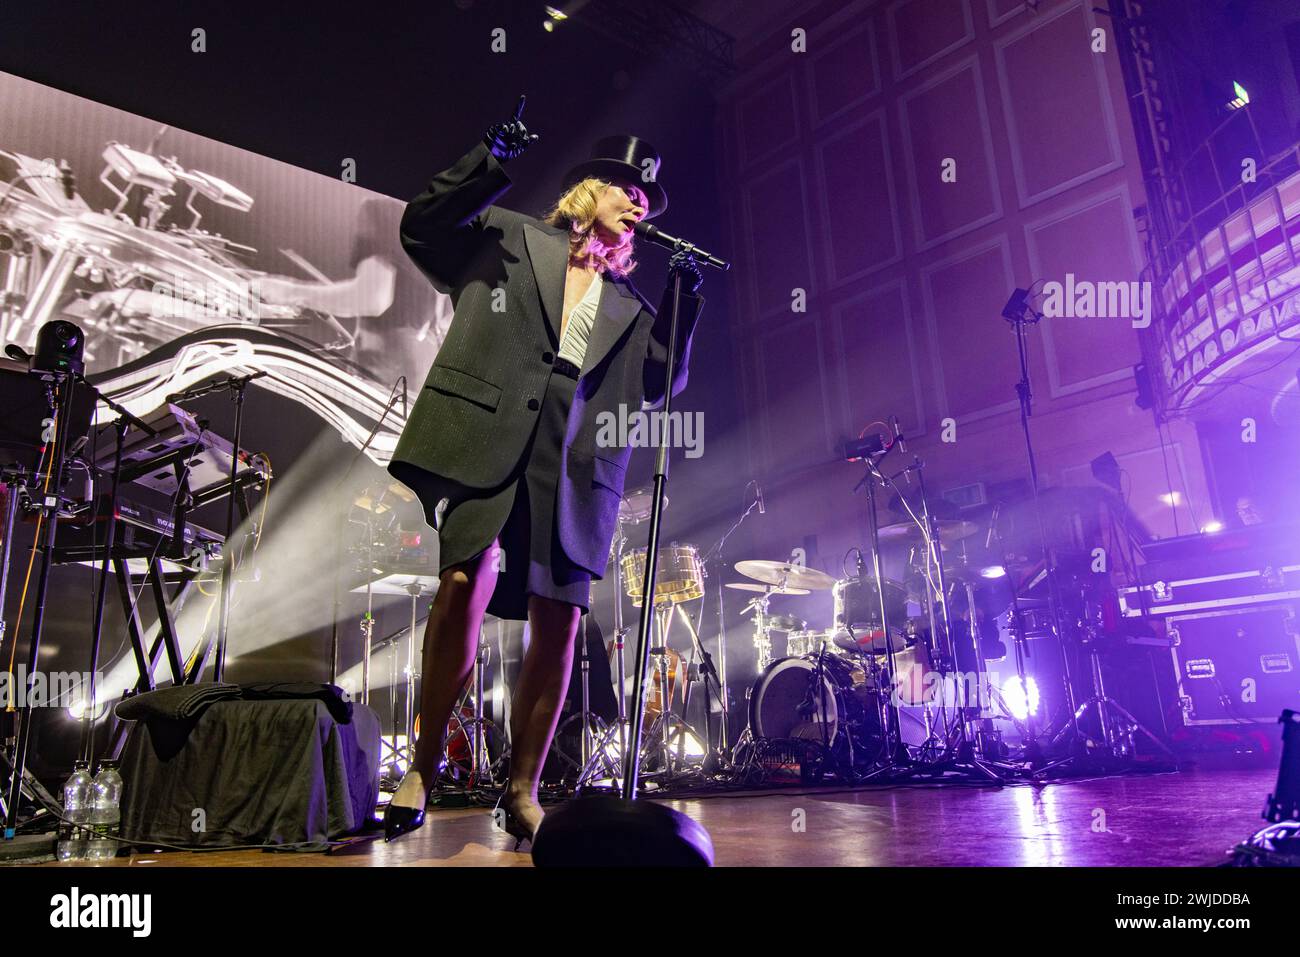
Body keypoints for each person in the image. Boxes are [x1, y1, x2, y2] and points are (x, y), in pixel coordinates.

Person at [382, 97, 704, 845]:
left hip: (575, 455)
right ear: (589, 189)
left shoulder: (632, 304)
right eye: (630, 189)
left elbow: (663, 382)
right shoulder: (507, 236)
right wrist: (488, 156)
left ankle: (522, 790)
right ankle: (422, 767)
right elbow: (423, 227)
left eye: (649, 199)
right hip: (493, 432)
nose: (641, 204)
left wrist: (687, 296)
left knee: (559, 621)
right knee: (464, 578)